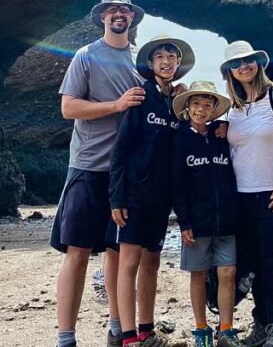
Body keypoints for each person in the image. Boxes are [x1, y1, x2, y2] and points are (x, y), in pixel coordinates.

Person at [50, 0, 147, 347]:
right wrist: (116, 105)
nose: (118, 14)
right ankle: (66, 337)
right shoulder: (86, 55)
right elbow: (69, 108)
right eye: (112, 10)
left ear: (132, 17)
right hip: (88, 166)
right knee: (77, 252)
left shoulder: (141, 60)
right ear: (103, 16)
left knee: (116, 251)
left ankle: (116, 329)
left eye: (124, 9)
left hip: (125, 172)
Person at [109, 35, 194, 347]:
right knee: (128, 261)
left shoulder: (177, 104)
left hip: (161, 198)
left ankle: (147, 329)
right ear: (150, 64)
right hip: (133, 194)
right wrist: (116, 197)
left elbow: (193, 133)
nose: (166, 61)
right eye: (160, 56)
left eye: (171, 57)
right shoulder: (140, 97)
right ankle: (128, 336)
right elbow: (120, 150)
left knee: (152, 262)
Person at [222, 41, 273, 347]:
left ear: (258, 63)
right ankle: (261, 323)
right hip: (242, 195)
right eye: (236, 63)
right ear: (230, 71)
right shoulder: (233, 110)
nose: (244, 66)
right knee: (253, 262)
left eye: (248, 60)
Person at [171, 81, 241, 347]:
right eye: (196, 104)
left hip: (226, 220)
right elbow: (177, 184)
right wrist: (184, 221)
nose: (201, 109)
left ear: (214, 109)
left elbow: (246, 134)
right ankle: (201, 329)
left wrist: (230, 127)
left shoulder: (223, 136)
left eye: (207, 105)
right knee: (198, 274)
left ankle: (226, 329)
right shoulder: (179, 139)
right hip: (196, 222)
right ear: (187, 107)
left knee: (228, 273)